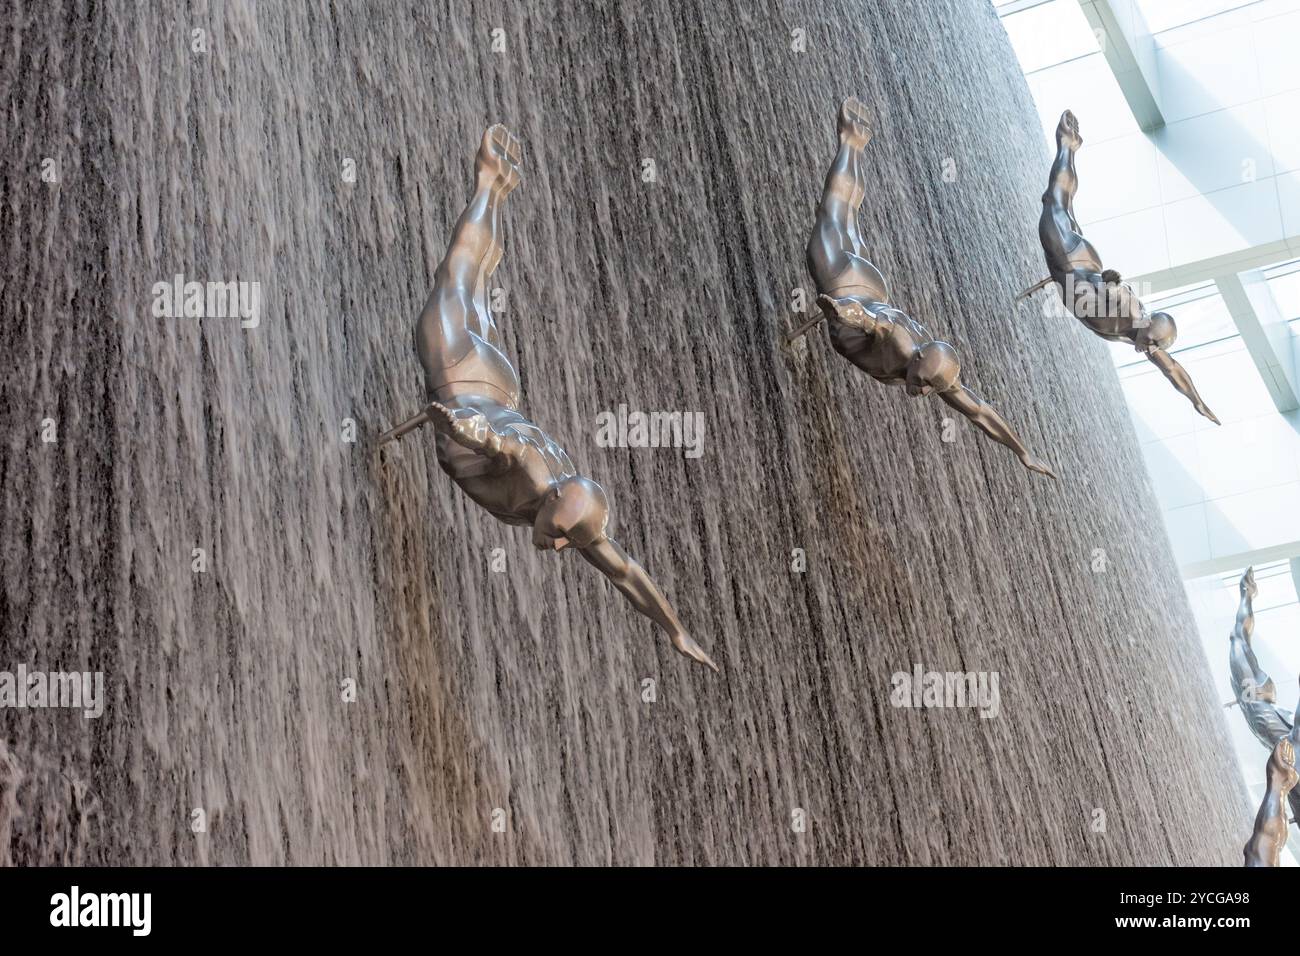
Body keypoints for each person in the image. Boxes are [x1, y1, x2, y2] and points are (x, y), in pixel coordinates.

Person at [378, 125, 716, 672]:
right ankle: (489, 181)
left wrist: (675, 631)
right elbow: (497, 442)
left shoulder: (574, 515)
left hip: (497, 387)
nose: (558, 549)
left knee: (477, 284)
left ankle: (498, 189)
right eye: (561, 536)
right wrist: (455, 423)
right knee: (458, 276)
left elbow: (627, 571)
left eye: (564, 539)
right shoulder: (539, 477)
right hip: (456, 379)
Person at [806, 98, 1055, 479]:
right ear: (920, 357)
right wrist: (843, 313)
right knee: (835, 211)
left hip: (872, 286)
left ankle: (855, 144)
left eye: (928, 388)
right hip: (843, 286)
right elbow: (878, 325)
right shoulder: (905, 344)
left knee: (849, 218)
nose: (921, 392)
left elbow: (980, 411)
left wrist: (1023, 453)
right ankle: (849, 141)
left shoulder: (938, 374)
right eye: (922, 382)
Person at [1023, 110, 1219, 425]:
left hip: (1079, 264)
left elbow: (1173, 370)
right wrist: (1111, 284)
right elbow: (1119, 292)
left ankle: (1070, 148)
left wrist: (1197, 401)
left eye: (1155, 347)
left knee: (1067, 207)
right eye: (1153, 343)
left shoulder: (1140, 337)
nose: (1151, 351)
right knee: (1055, 202)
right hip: (1068, 258)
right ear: (1148, 327)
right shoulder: (1132, 315)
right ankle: (1066, 145)